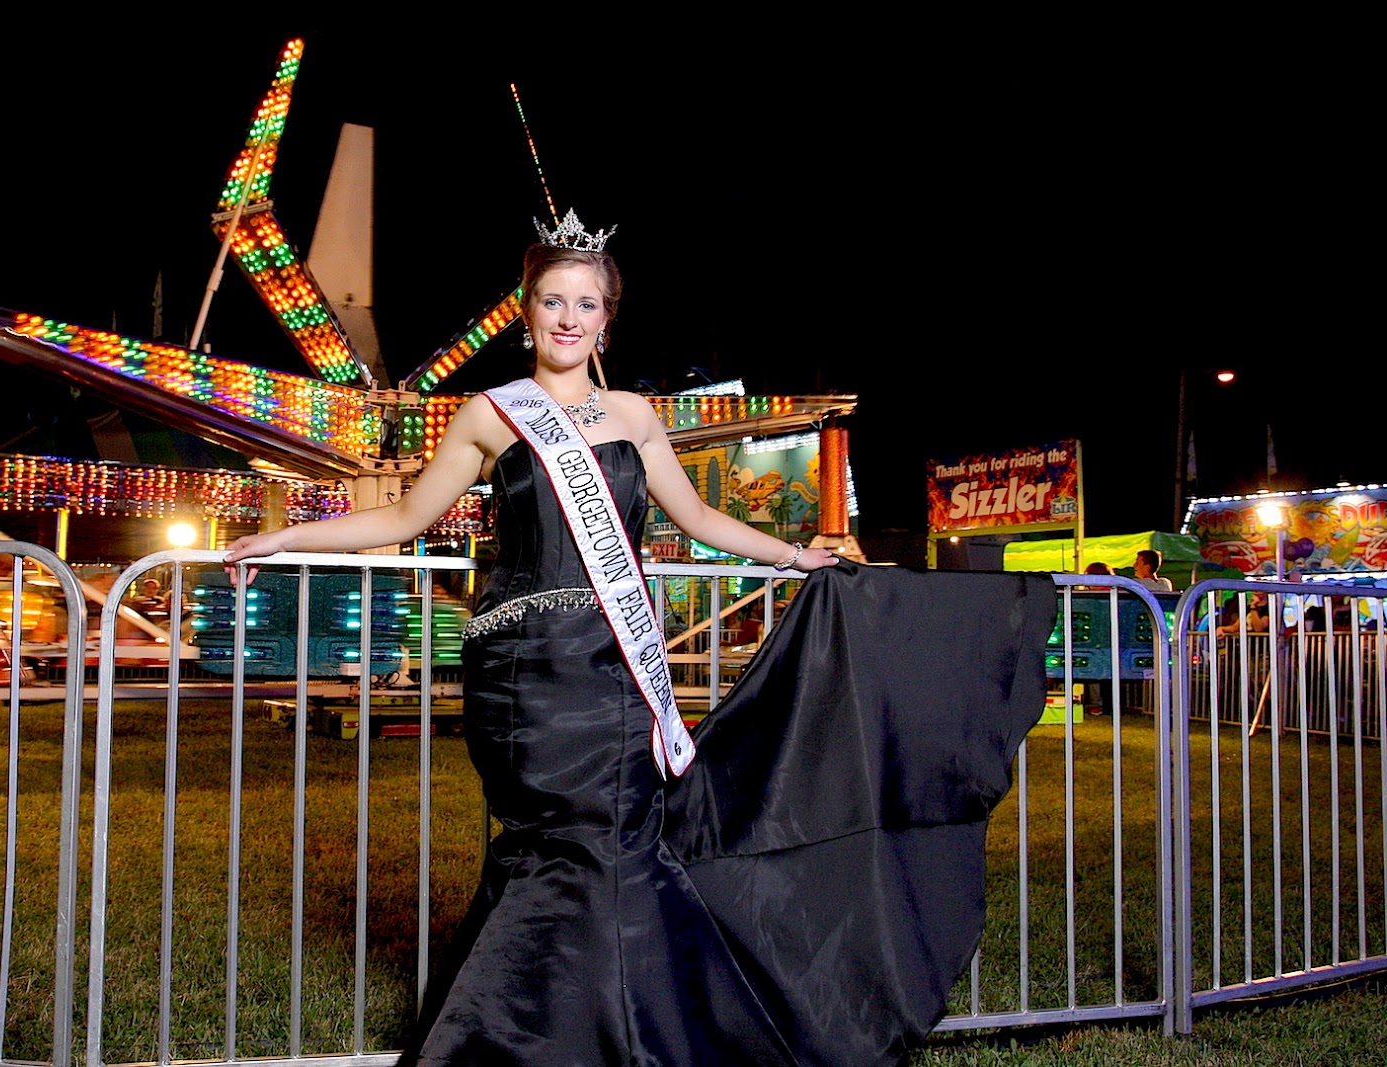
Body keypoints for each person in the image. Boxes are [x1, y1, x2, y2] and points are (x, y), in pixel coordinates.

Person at [226, 216, 1054, 1066]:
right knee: (557, 848)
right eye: (553, 300)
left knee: (617, 845)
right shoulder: (487, 415)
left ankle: (618, 1033)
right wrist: (281, 538)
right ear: (528, 311)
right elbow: (405, 517)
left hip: (616, 674)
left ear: (607, 321)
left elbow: (696, 518)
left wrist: (796, 552)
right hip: (527, 682)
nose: (568, 318)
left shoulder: (632, 416)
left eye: (586, 303)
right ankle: (518, 1036)